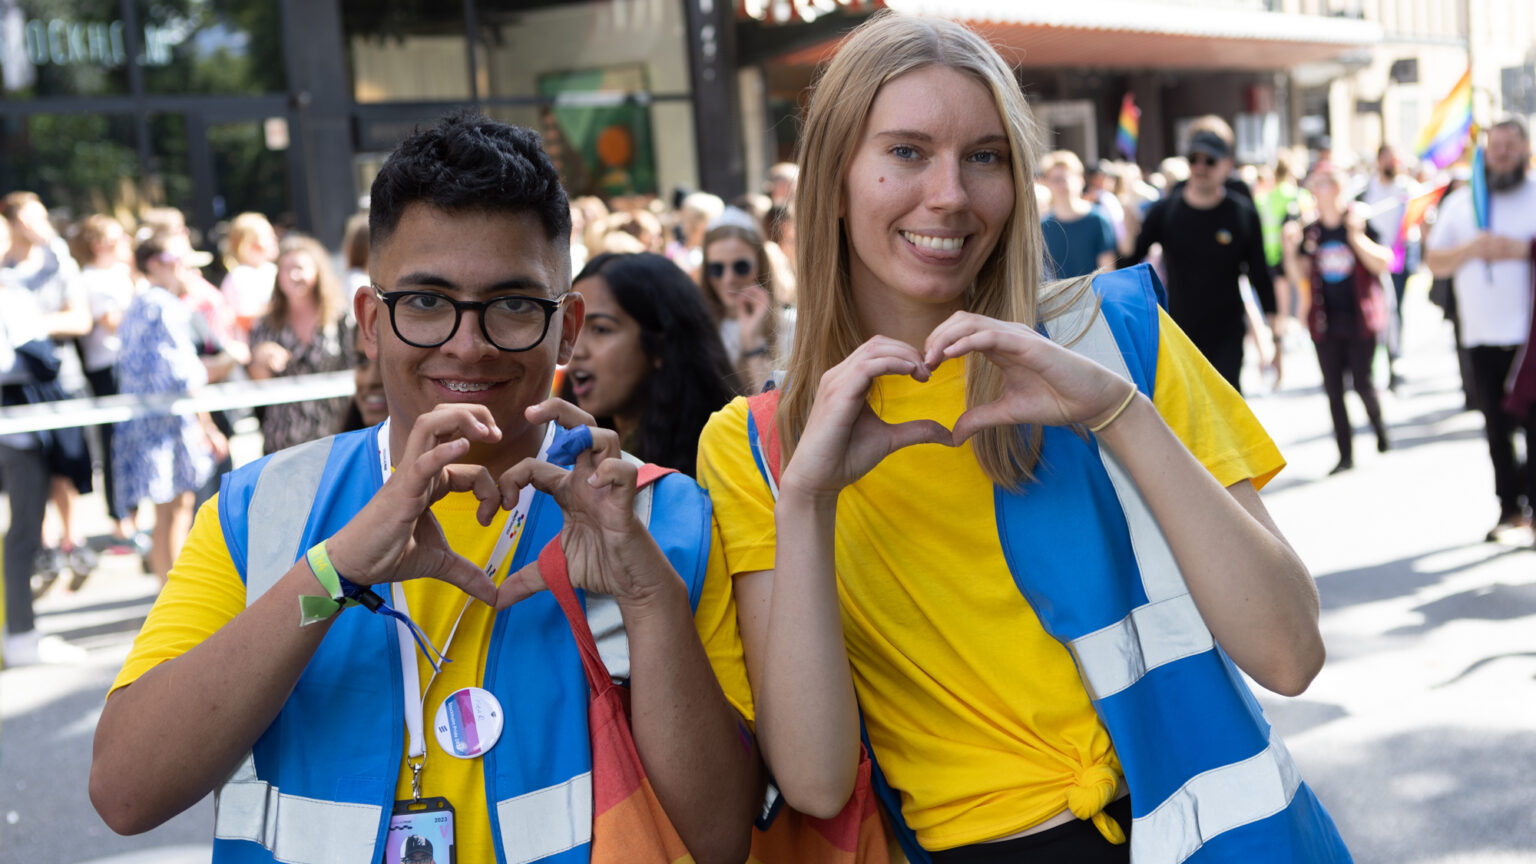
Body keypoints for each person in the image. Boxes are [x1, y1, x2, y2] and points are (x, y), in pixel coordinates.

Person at [696, 13, 1349, 863]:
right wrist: (810, 499)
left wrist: (1120, 417)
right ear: (833, 176)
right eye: (906, 151)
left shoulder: (1119, 337)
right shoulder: (755, 447)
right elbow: (815, 781)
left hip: (1212, 837)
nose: (951, 195)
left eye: (984, 155)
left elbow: (1291, 654)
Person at [90, 111, 759, 864]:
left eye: (513, 305)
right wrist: (331, 573)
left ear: (566, 328)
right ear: (371, 323)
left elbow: (720, 838)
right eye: (427, 302)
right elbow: (126, 791)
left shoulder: (661, 517)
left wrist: (648, 601)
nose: (466, 343)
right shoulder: (262, 509)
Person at [1424, 117, 1536, 542]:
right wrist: (1471, 250)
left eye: (1510, 145)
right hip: (1481, 335)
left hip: (1530, 339)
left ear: (1526, 150)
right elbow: (1434, 262)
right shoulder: (1463, 204)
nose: (1502, 153)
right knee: (1497, 430)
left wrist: (1523, 250)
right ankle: (1510, 508)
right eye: (1495, 146)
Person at [1127, 128, 1280, 393]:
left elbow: (1260, 277)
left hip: (1227, 334)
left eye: (1209, 160)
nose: (1200, 167)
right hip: (1179, 332)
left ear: (1227, 165)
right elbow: (1130, 261)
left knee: (1226, 411)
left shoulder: (1241, 214)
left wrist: (1275, 338)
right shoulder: (1166, 212)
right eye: (1193, 159)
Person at [114, 231, 230, 581]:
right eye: (177, 261)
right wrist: (208, 425)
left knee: (167, 514)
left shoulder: (141, 303)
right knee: (178, 512)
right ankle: (175, 598)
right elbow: (184, 375)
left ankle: (166, 596)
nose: (185, 270)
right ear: (154, 264)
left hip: (150, 423)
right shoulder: (164, 306)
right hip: (167, 425)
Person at [562, 251, 740, 476]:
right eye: (572, 329)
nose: (576, 350)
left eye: (600, 329)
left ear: (660, 346)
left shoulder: (719, 458)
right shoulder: (566, 455)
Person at [1284, 162, 1393, 474]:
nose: (1320, 192)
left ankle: (1380, 430)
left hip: (1361, 318)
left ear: (1340, 188)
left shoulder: (1359, 221)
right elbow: (1300, 276)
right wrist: (1289, 251)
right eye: (1316, 185)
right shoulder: (1311, 232)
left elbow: (1383, 262)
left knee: (1362, 383)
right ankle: (1345, 455)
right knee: (1334, 390)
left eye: (1326, 184)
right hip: (1325, 322)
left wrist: (1356, 237)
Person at [73, 214, 144, 558]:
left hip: (129, 366)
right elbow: (114, 323)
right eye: (117, 239)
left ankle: (134, 516)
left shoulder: (120, 275)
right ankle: (120, 522)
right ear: (98, 243)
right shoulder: (90, 279)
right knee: (115, 443)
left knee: (133, 443)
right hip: (107, 369)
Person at [247, 234, 354, 453]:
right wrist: (261, 357)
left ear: (317, 270)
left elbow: (358, 369)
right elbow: (256, 382)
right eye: (286, 269)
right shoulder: (266, 325)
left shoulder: (340, 318)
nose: (293, 275)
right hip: (284, 441)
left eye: (300, 267)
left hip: (336, 438)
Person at [700, 212, 793, 394]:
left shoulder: (791, 325)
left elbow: (773, 412)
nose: (728, 279)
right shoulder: (699, 327)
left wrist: (754, 341)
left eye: (740, 266)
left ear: (760, 265)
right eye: (716, 269)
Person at [1359, 144, 1417, 390]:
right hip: (1372, 260)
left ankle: (1395, 360)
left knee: (1395, 310)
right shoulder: (1364, 191)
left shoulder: (1406, 190)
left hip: (1399, 262)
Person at [1039, 150, 1117, 279]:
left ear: (1080, 180)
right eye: (1055, 179)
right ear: (1046, 183)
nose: (1061, 184)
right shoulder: (1042, 226)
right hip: (1059, 298)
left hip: (1093, 297)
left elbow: (1108, 272)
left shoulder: (1098, 219)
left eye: (1065, 178)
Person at [219, 211, 279, 339]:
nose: (274, 239)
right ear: (248, 244)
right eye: (267, 235)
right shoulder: (240, 277)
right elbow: (244, 320)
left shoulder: (272, 270)